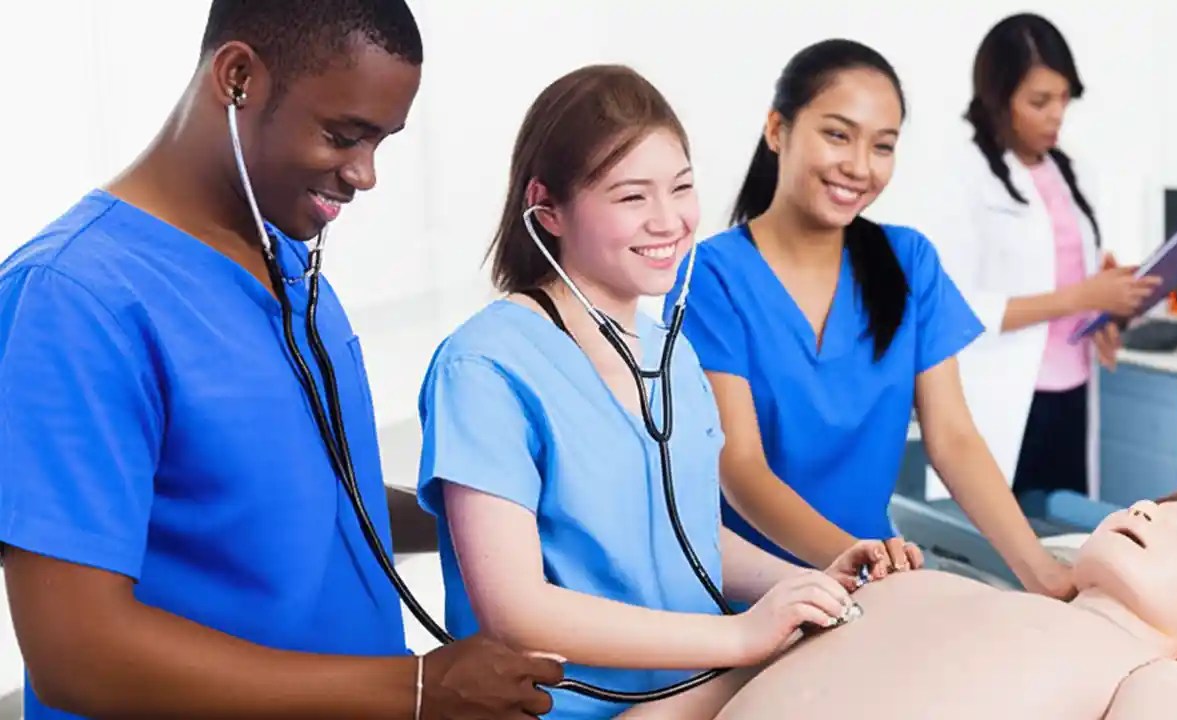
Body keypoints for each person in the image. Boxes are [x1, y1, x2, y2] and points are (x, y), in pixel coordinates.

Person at [0, 2, 560, 718]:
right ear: (237, 78)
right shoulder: (74, 298)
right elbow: (76, 652)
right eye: (343, 135)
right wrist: (415, 689)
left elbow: (302, 498)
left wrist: (487, 515)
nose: (364, 174)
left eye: (381, 142)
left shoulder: (288, 267)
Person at [415, 64, 903, 720]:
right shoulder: (484, 368)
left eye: (681, 188)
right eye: (631, 197)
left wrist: (811, 583)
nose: (670, 221)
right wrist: (737, 635)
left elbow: (691, 535)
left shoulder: (673, 353)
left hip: (690, 698)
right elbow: (516, 610)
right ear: (548, 209)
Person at [662, 39, 1072, 598]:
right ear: (778, 129)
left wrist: (1043, 575)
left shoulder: (910, 263)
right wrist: (857, 563)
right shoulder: (711, 277)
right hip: (754, 592)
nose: (859, 167)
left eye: (883, 147)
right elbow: (741, 469)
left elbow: (953, 438)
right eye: (837, 135)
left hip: (873, 584)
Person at [716, 490, 1177, 720]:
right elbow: (743, 670)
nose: (1143, 510)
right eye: (1145, 504)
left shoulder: (1157, 676)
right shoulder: (933, 586)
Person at [925, 13, 1162, 508]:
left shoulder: (1071, 172)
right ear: (998, 98)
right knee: (1004, 553)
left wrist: (1110, 306)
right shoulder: (962, 174)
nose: (1056, 114)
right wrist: (1081, 296)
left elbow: (1079, 274)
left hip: (1072, 390)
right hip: (1007, 396)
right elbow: (957, 307)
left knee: (1068, 540)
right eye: (1039, 101)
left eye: (1063, 100)